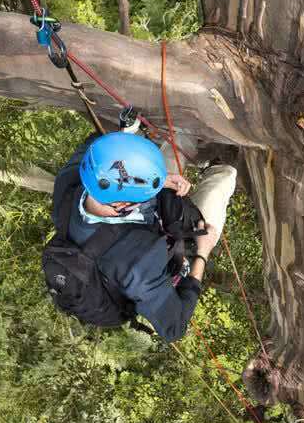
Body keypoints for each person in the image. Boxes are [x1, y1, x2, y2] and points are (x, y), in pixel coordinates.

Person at [51, 130, 237, 342]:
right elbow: (174, 327)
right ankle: (221, 166)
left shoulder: (69, 184)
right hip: (172, 247)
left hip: (155, 218)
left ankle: (192, 147)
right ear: (121, 204)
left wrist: (160, 179)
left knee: (178, 138)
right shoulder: (136, 266)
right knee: (224, 180)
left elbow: (97, 145)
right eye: (144, 193)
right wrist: (203, 251)